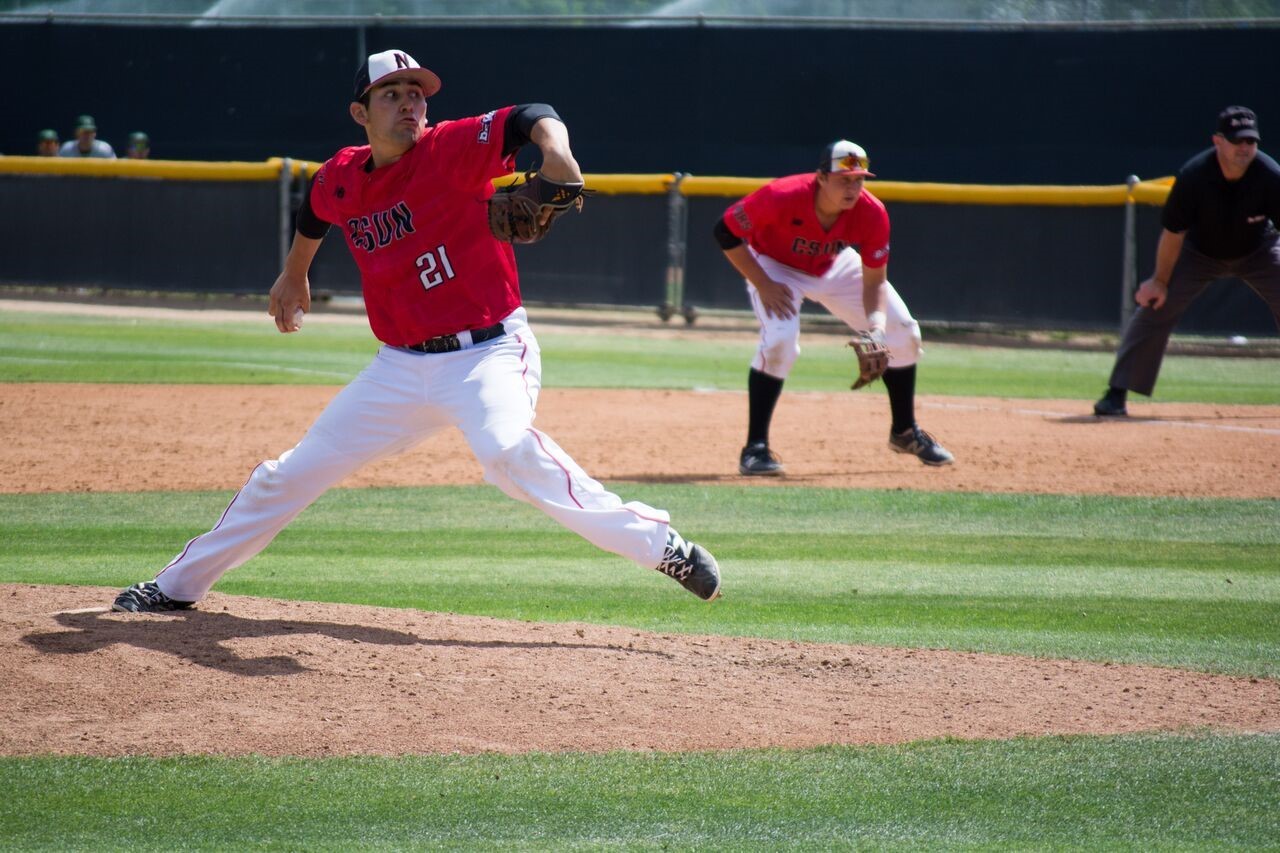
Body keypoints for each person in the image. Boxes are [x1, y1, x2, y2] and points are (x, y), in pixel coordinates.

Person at [111, 48, 720, 613]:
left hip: (487, 353)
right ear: (360, 113)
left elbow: (534, 115)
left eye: (416, 92)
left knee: (507, 454)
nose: (409, 102)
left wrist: (557, 152)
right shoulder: (342, 175)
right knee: (289, 474)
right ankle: (176, 587)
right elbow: (316, 210)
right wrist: (294, 273)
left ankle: (663, 546)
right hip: (398, 368)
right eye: (391, 93)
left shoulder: (452, 149)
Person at [714, 139, 954, 474]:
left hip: (833, 263)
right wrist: (763, 283)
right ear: (821, 178)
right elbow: (725, 231)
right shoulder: (782, 195)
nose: (853, 187)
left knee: (904, 332)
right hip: (774, 266)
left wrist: (876, 328)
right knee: (781, 340)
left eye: (859, 180)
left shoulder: (872, 212)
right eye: (844, 179)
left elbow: (874, 282)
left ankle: (903, 432)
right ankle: (755, 450)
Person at [1094, 106, 1280, 416]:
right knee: (1156, 305)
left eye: (1250, 141)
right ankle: (1117, 394)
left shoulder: (1270, 176)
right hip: (1200, 253)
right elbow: (1173, 233)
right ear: (1218, 141)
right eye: (1237, 141)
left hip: (1258, 249)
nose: (1245, 148)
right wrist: (1160, 281)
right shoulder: (1195, 176)